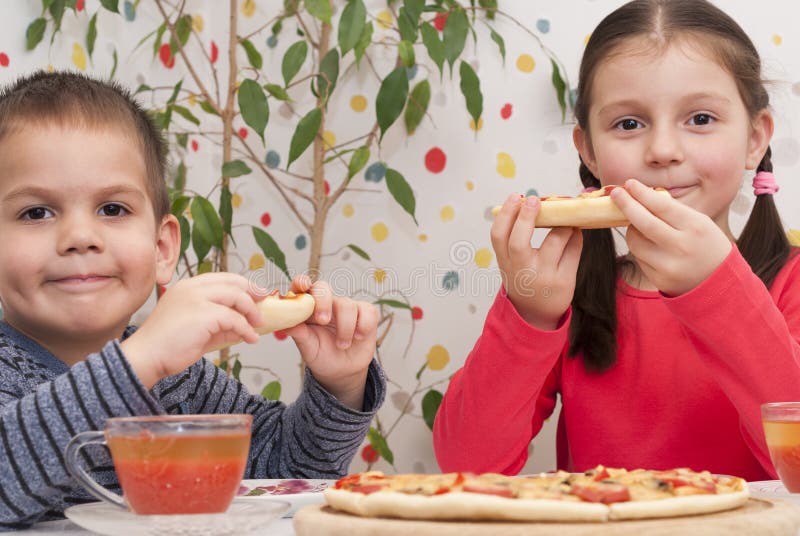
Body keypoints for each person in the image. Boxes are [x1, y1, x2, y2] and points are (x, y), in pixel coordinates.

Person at [0, 70, 385, 529]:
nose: (80, 237)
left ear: (162, 249)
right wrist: (140, 361)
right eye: (36, 212)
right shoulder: (151, 359)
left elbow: (286, 473)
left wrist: (339, 386)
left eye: (112, 209)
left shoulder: (182, 380)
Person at [434, 0, 800, 482]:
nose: (664, 151)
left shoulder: (791, 282)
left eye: (701, 119)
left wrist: (717, 288)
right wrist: (530, 317)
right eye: (629, 124)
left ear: (755, 139)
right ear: (588, 150)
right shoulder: (570, 296)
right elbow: (468, 466)